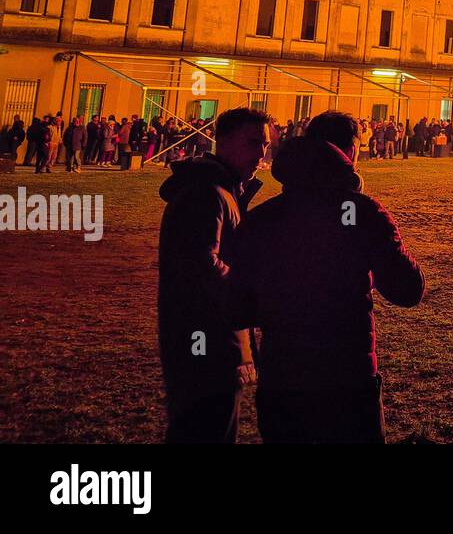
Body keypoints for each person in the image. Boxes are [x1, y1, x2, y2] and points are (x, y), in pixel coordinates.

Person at [229, 110, 425, 443]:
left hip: (283, 381)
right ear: (350, 150)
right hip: (347, 380)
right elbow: (408, 289)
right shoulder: (362, 212)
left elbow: (239, 306)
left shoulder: (264, 218)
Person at [157, 106, 270, 443]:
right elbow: (202, 263)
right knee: (205, 426)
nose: (262, 153)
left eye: (265, 145)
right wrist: (248, 297)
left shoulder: (222, 190)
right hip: (205, 339)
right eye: (253, 143)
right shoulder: (206, 193)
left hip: (211, 336)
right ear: (224, 142)